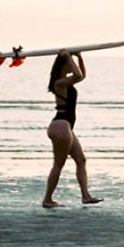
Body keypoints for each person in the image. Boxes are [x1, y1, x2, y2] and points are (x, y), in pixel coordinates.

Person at [43, 51, 102, 209]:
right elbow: (77, 74)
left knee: (81, 160)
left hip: (65, 127)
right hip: (61, 127)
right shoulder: (59, 83)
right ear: (64, 65)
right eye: (69, 63)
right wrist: (69, 56)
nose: (73, 66)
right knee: (58, 164)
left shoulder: (67, 82)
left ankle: (85, 196)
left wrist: (79, 57)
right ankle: (47, 200)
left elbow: (81, 76)